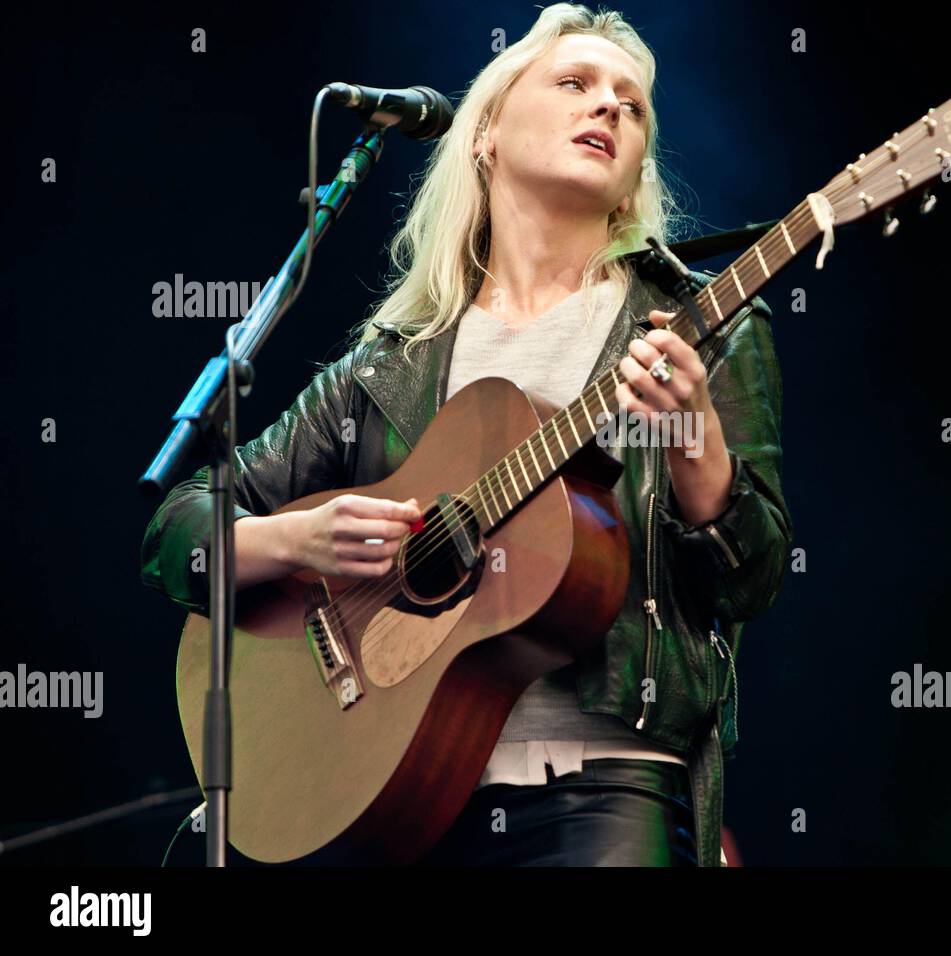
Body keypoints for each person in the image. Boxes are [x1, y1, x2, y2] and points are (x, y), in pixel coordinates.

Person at [141, 2, 793, 867]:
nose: (609, 108)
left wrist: (696, 447)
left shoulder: (697, 327)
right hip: (402, 809)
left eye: (632, 105)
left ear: (636, 174)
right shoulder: (391, 365)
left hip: (605, 799)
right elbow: (174, 537)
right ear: (485, 132)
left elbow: (755, 579)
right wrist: (301, 539)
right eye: (575, 83)